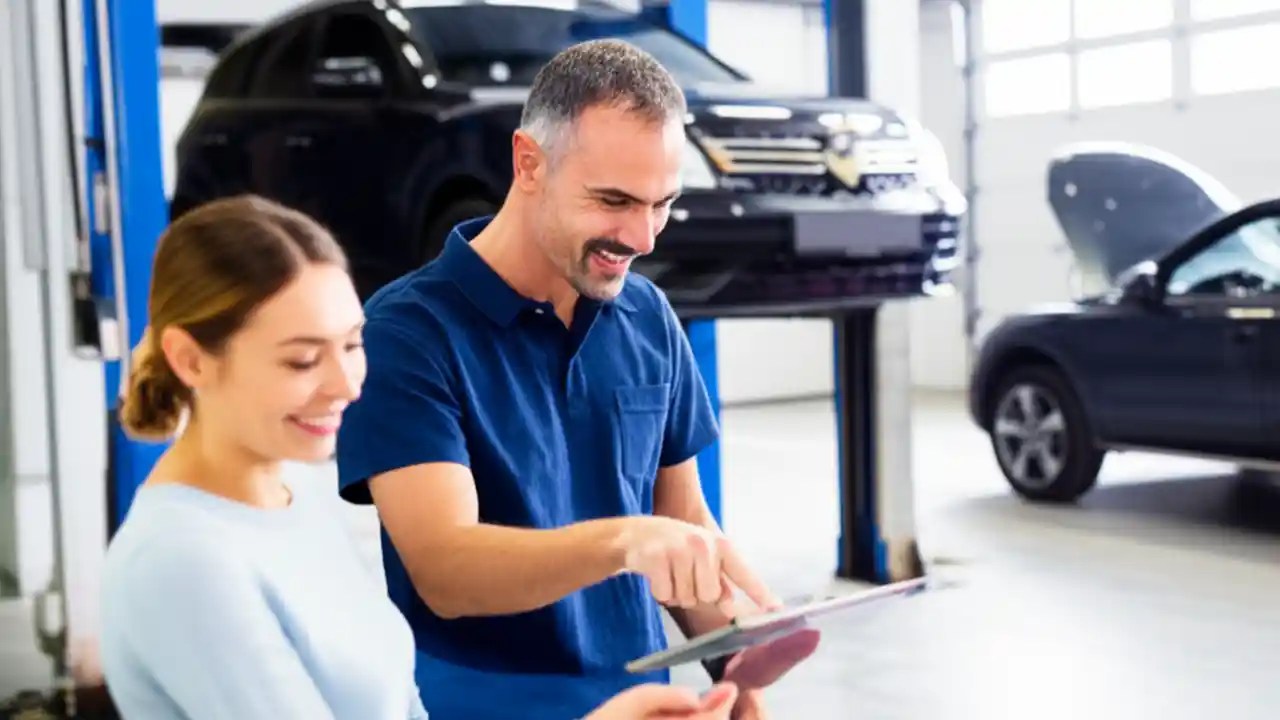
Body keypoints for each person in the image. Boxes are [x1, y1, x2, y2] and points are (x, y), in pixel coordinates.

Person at [97, 194, 743, 720]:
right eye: (301, 359)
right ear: (189, 359)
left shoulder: (296, 495)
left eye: (352, 346)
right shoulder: (184, 563)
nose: (347, 384)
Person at [334, 39, 821, 720]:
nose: (644, 236)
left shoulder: (647, 315)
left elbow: (679, 520)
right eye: (614, 200)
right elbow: (445, 570)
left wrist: (739, 676)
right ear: (529, 163)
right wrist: (625, 540)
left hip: (647, 702)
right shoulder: (407, 333)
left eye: (662, 203)